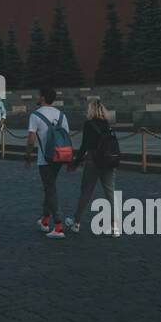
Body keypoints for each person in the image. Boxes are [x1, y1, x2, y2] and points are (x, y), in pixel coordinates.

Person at [26, 87, 71, 239]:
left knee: (50, 189)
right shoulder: (61, 115)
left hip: (44, 159)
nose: (37, 97)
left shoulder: (35, 115)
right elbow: (66, 136)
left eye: (38, 95)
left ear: (43, 97)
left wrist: (27, 156)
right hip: (59, 156)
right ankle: (45, 221)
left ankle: (58, 226)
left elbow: (31, 139)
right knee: (49, 187)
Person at [72, 99, 122, 237]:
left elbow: (84, 146)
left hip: (93, 160)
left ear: (91, 111)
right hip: (109, 161)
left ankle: (76, 222)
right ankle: (115, 227)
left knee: (86, 192)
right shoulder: (108, 125)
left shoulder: (88, 125)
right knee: (110, 193)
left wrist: (75, 163)